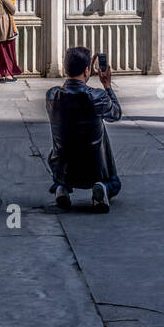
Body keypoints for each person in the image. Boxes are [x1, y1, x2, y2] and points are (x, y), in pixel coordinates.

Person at [46, 46, 122, 211]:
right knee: (115, 184)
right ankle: (102, 188)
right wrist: (107, 85)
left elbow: (68, 93)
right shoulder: (98, 97)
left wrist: (82, 75)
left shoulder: (52, 95)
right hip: (95, 168)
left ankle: (62, 188)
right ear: (88, 70)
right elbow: (115, 114)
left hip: (65, 168)